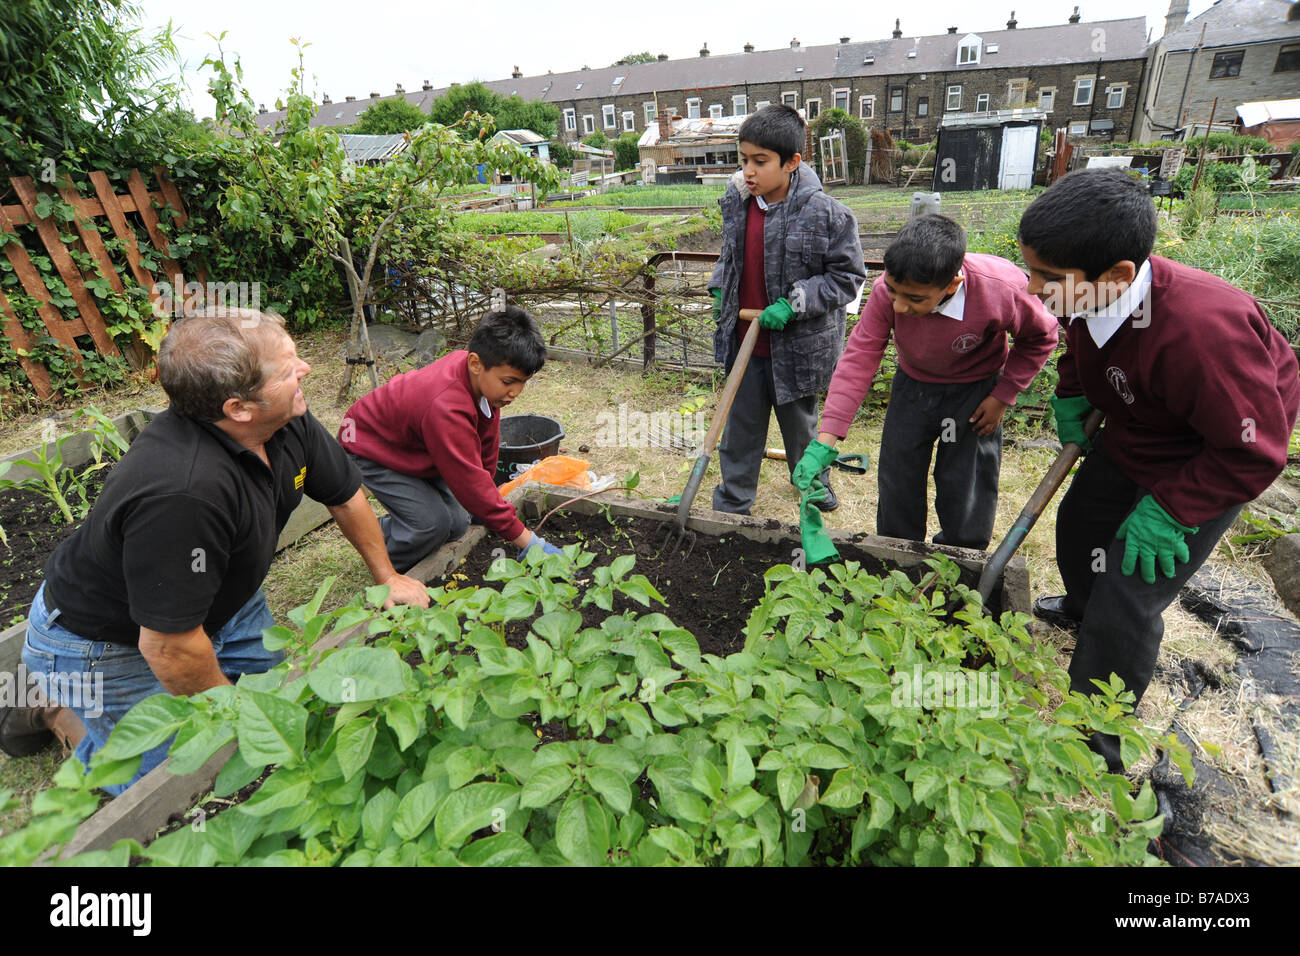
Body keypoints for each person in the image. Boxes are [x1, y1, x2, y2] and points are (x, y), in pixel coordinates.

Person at [11, 309, 429, 792]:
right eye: (289, 366)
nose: (307, 369)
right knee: (177, 777)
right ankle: (57, 711)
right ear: (239, 408)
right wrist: (235, 717)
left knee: (278, 707)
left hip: (223, 602)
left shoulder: (285, 420)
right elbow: (167, 645)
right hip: (108, 644)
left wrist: (387, 574)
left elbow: (343, 493)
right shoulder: (184, 493)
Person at [1018, 168, 1300, 771]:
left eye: (1046, 278)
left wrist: (1172, 509)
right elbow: (1082, 345)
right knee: (1083, 527)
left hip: (1215, 453)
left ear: (1119, 275)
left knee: (1130, 584)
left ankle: (1096, 735)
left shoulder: (1202, 329)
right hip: (1143, 424)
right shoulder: (1083, 292)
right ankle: (1083, 610)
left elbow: (1254, 447)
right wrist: (1074, 394)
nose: (1033, 288)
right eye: (1030, 271)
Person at [794, 215, 1058, 551]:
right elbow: (859, 358)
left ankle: (961, 557)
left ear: (953, 285)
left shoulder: (1001, 288)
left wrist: (1003, 396)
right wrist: (826, 440)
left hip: (977, 394)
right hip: (913, 388)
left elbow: (1040, 338)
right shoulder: (885, 293)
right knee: (898, 477)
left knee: (965, 484)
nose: (900, 306)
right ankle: (897, 551)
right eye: (894, 292)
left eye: (915, 299)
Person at [708, 104, 866, 515]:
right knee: (741, 427)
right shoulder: (739, 204)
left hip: (797, 347)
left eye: (761, 162)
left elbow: (847, 278)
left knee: (800, 428)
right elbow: (730, 258)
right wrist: (719, 291)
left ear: (793, 162)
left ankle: (813, 486)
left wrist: (793, 302)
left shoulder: (826, 214)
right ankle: (734, 499)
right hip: (744, 340)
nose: (749, 172)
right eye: (744, 160)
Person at [339, 306, 561, 571]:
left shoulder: (480, 378)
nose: (514, 392)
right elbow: (468, 481)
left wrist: (487, 499)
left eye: (522, 383)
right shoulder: (446, 406)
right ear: (476, 363)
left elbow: (485, 449)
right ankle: (387, 562)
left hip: (416, 447)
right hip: (370, 445)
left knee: (458, 522)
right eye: (508, 381)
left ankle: (395, 528)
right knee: (431, 525)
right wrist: (529, 541)